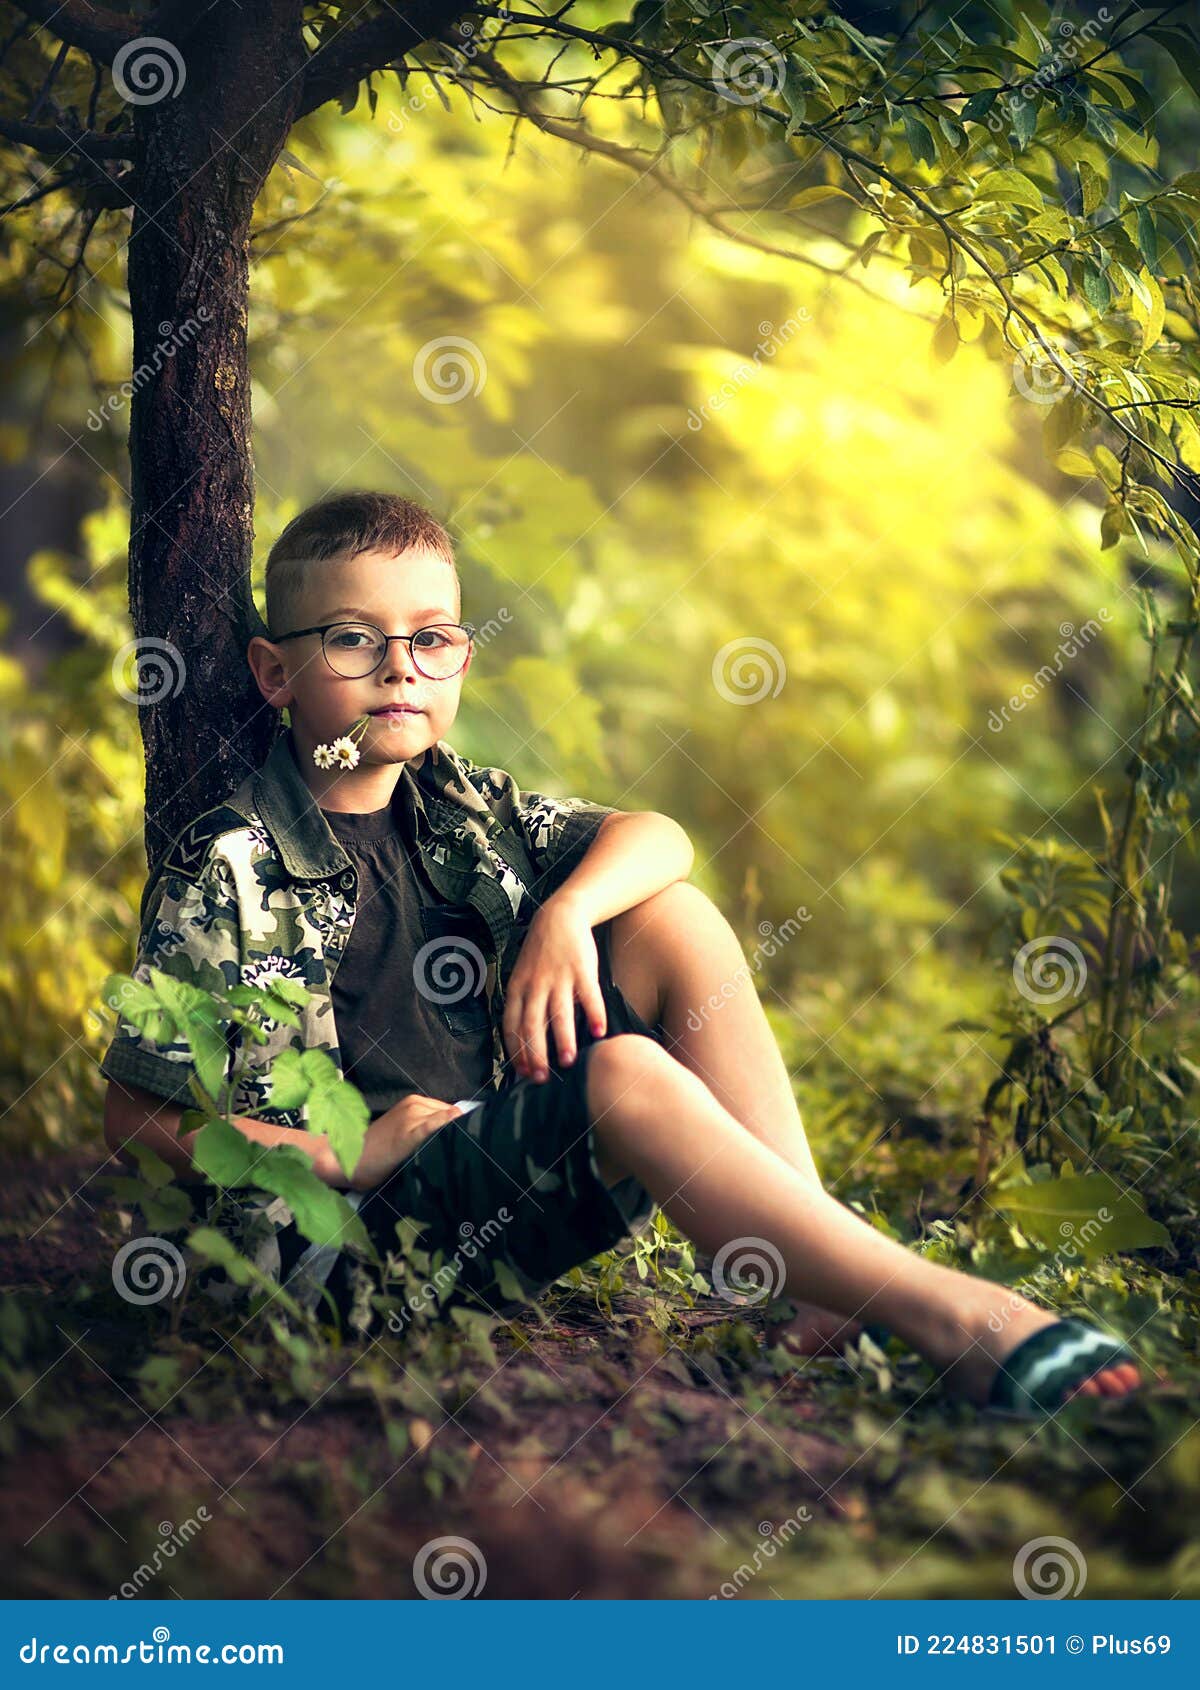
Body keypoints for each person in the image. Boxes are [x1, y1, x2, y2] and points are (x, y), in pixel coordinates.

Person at [100, 490, 1141, 1419]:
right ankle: (951, 1314)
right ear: (276, 671)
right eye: (352, 641)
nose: (399, 670)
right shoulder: (227, 865)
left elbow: (660, 835)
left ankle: (821, 1286)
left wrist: (564, 916)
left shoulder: (460, 803)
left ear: (462, 652)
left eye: (431, 639)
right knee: (628, 1073)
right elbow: (136, 1115)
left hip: (479, 1162)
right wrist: (349, 1155)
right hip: (343, 1246)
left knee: (673, 916)